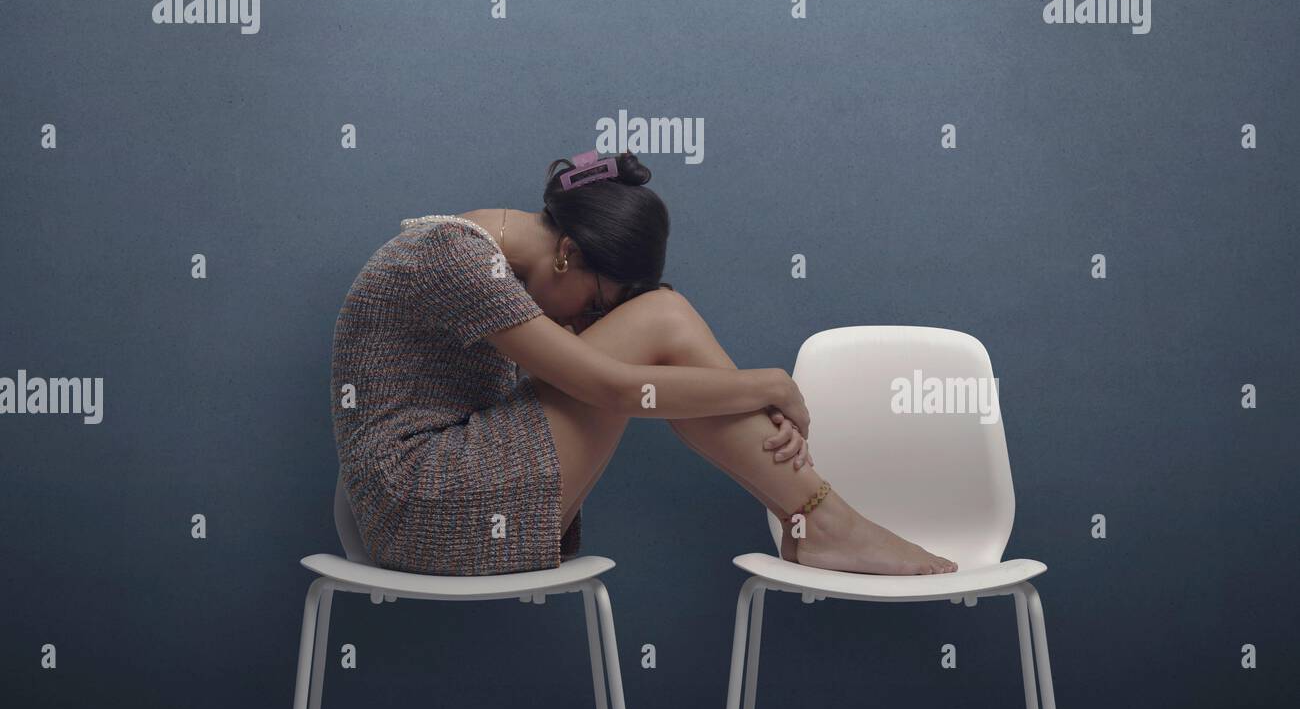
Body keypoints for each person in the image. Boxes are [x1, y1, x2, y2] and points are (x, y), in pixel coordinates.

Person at [331, 149, 957, 577]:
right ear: (568, 253)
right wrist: (771, 384)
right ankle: (820, 521)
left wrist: (747, 391)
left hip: (437, 492)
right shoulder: (457, 259)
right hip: (421, 505)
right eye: (598, 304)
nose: (583, 325)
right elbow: (613, 387)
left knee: (666, 320)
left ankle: (815, 519)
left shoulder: (477, 254)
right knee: (663, 318)